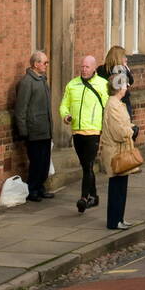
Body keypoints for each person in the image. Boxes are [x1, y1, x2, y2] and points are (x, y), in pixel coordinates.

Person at [60, 57, 110, 214]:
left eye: (87, 67)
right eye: (82, 66)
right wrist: (66, 115)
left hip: (94, 132)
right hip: (77, 132)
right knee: (85, 166)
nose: (84, 69)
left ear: (94, 68)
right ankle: (94, 196)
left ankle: (84, 198)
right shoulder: (72, 84)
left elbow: (109, 107)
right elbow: (64, 105)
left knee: (88, 165)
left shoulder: (103, 84)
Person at [97, 64, 138, 230]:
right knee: (116, 189)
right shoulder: (113, 105)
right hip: (116, 153)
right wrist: (132, 130)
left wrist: (131, 127)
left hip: (122, 151)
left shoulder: (118, 103)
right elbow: (118, 131)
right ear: (119, 87)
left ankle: (120, 218)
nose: (127, 87)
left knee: (122, 188)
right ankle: (114, 221)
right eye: (125, 85)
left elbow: (124, 124)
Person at [14, 51, 54, 202]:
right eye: (44, 62)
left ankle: (40, 187)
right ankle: (32, 190)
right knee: (36, 163)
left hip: (45, 129)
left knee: (44, 162)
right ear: (35, 64)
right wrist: (23, 131)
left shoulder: (43, 80)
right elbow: (20, 109)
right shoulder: (27, 82)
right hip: (34, 131)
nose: (46, 65)